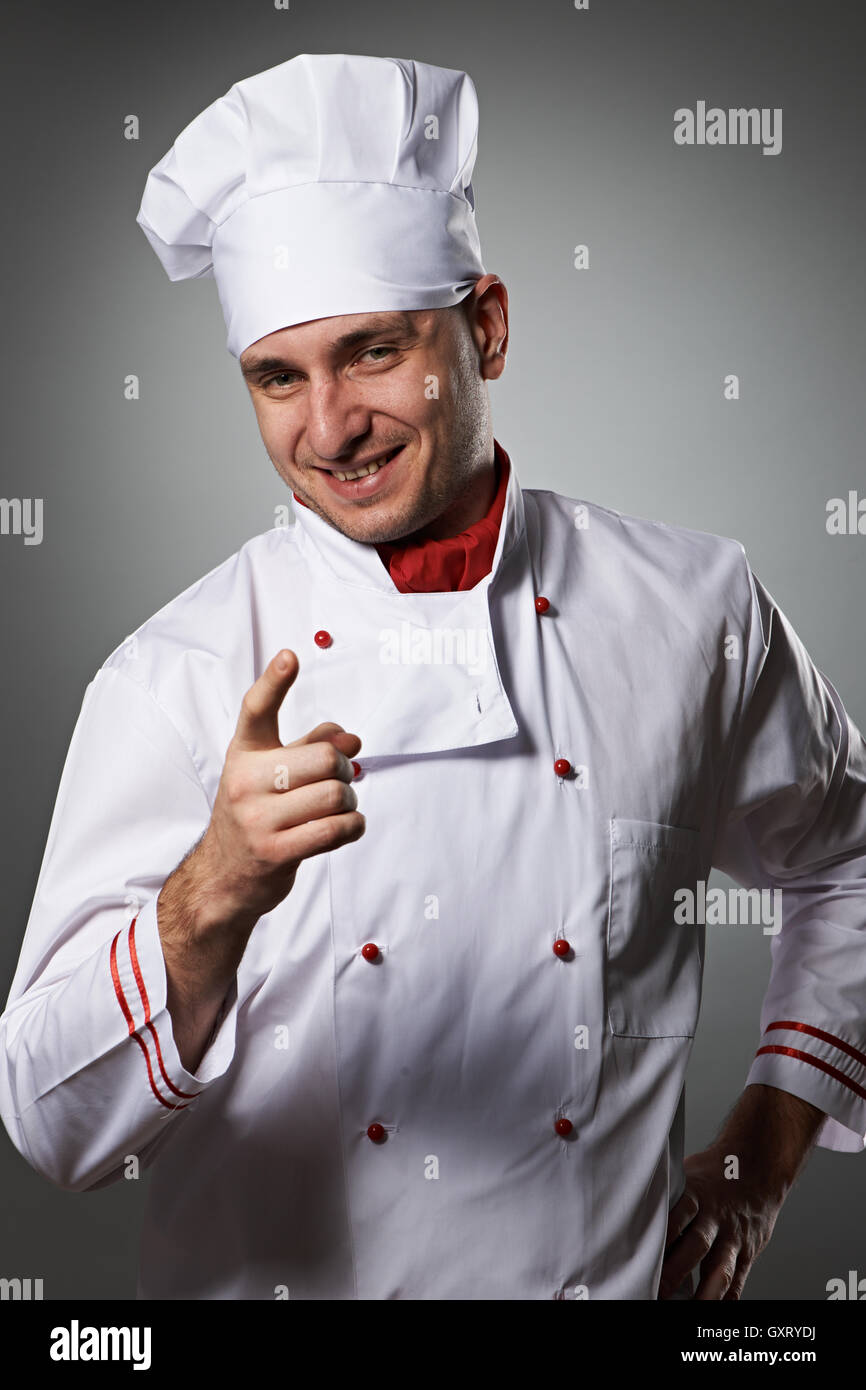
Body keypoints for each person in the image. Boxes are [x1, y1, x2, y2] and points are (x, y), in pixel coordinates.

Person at [1, 52, 864, 1302]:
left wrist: (759, 1160)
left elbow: (845, 856)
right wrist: (209, 898)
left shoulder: (690, 607)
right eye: (277, 376)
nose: (330, 425)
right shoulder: (174, 673)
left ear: (487, 327)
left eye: (371, 351)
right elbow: (49, 1124)